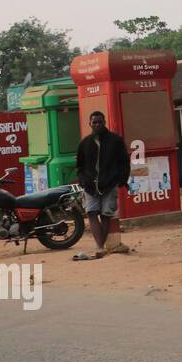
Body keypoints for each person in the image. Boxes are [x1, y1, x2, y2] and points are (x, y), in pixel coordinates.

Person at [74, 110, 131, 259]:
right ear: (90, 124)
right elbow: (79, 165)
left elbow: (124, 162)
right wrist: (82, 180)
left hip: (109, 184)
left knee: (106, 214)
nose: (97, 124)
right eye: (95, 122)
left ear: (104, 122)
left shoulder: (116, 141)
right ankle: (100, 247)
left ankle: (101, 247)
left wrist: (122, 180)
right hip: (89, 185)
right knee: (92, 213)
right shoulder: (84, 143)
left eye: (100, 122)